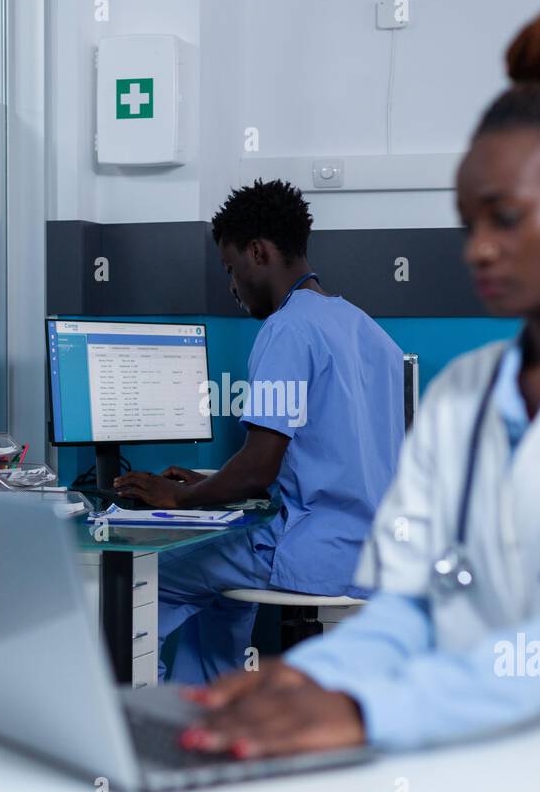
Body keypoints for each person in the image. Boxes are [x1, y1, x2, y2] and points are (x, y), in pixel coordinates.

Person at [176, 5, 540, 758]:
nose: (479, 248)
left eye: (506, 217)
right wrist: (310, 679)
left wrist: (372, 709)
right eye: (469, 220)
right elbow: (406, 603)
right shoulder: (462, 399)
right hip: (498, 753)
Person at [114, 179, 405, 684]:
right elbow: (325, 457)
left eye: (231, 268)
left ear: (258, 252)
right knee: (220, 580)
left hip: (315, 554)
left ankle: (148, 718)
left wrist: (181, 499)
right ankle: (205, 710)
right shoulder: (368, 331)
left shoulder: (287, 329)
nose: (231, 286)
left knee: (144, 580)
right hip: (371, 555)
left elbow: (259, 466)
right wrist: (206, 484)